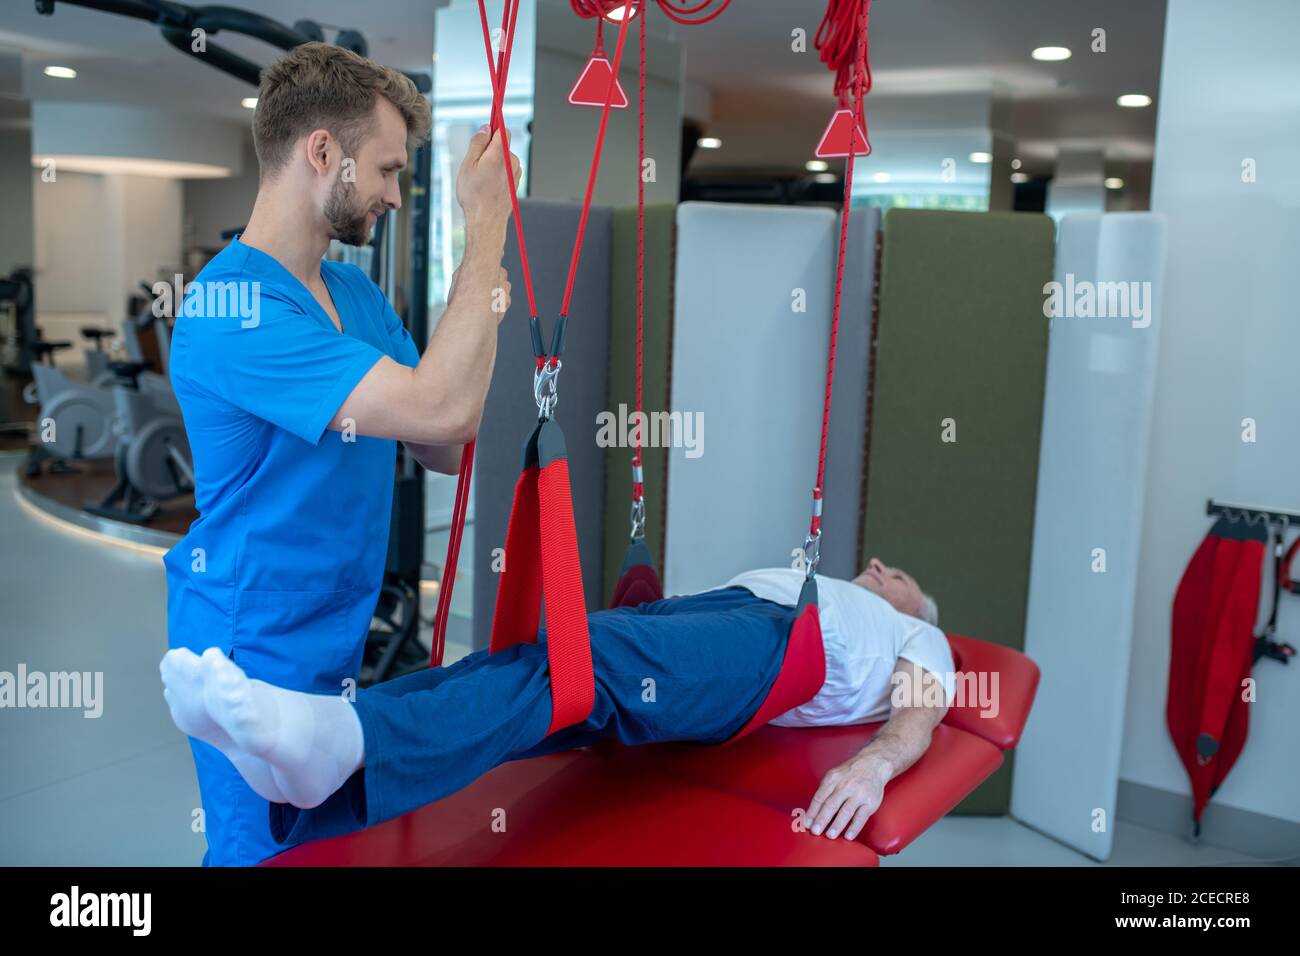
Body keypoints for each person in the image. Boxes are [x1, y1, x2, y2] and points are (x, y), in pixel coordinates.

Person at [163, 42, 521, 865]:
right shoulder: (232, 311)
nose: (397, 194)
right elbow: (442, 405)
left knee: (331, 846)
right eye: (389, 169)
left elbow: (439, 440)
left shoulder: (354, 292)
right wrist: (489, 229)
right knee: (268, 854)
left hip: (335, 633)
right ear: (323, 151)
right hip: (247, 651)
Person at [161, 559, 954, 860]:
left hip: (784, 649)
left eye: (901, 574)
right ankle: (311, 773)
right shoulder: (848, 590)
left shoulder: (917, 635)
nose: (882, 565)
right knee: (536, 666)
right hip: (728, 611)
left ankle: (334, 743)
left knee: (588, 666)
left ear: (922, 610)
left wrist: (876, 763)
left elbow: (919, 707)